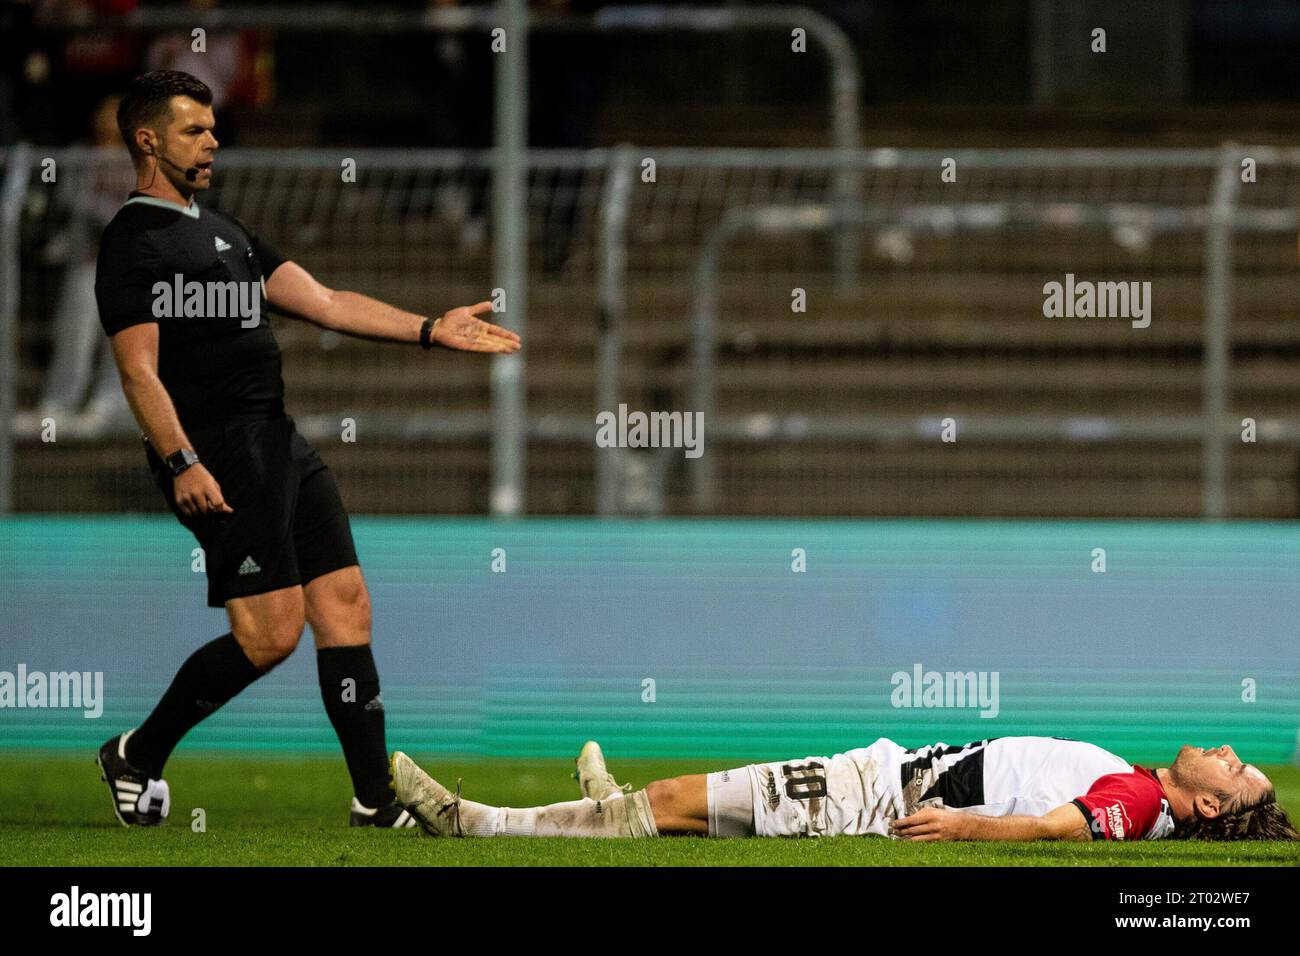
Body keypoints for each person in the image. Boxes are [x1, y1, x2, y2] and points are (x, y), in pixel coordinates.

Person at [93, 70, 520, 828]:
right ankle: (137, 752)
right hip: (218, 453)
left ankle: (375, 801)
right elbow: (137, 370)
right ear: (147, 140)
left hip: (279, 442)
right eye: (195, 130)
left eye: (214, 128)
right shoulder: (134, 242)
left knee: (346, 606)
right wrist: (180, 460)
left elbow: (324, 302)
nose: (213, 141)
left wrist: (430, 328)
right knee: (268, 637)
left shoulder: (224, 231)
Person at [391, 737, 1298, 842]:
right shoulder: (1143, 793)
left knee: (673, 799)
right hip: (886, 776)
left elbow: (1060, 830)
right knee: (684, 808)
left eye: (1232, 765)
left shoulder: (1138, 805)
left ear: (1209, 803)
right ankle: (601, 807)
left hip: (877, 792)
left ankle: (473, 824)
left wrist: (965, 830)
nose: (1221, 748)